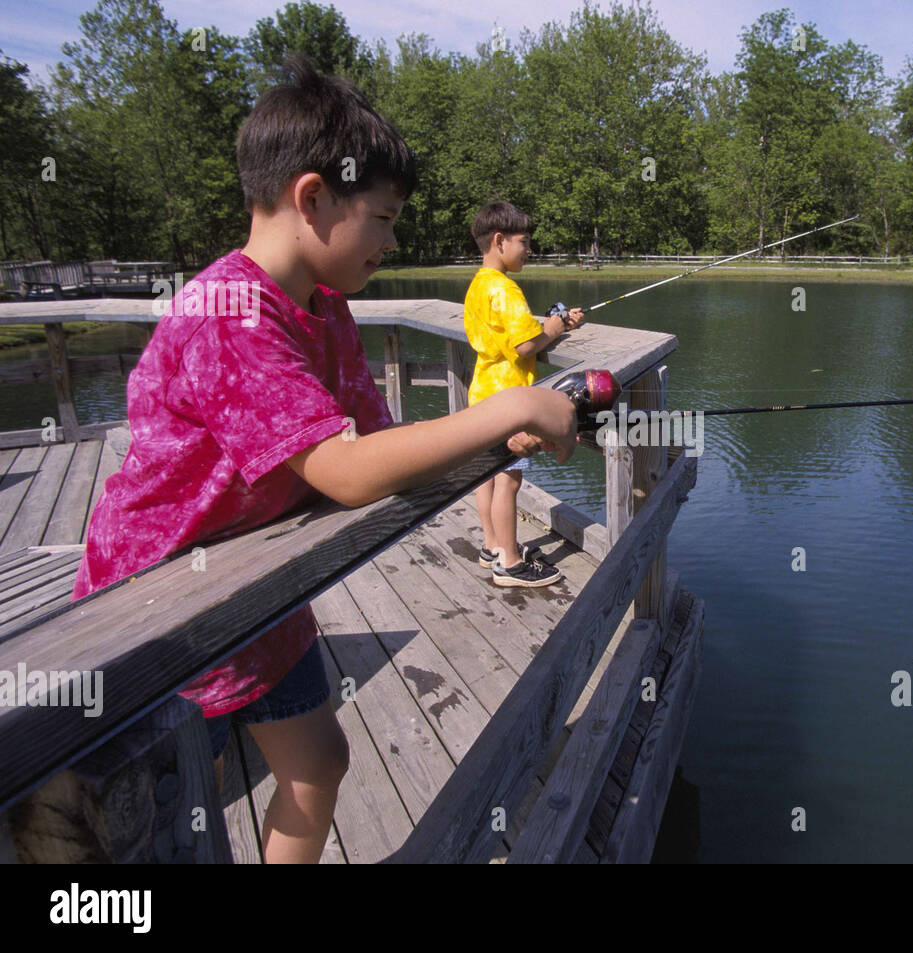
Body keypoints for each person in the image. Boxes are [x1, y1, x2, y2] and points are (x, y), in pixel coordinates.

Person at [68, 57, 577, 863]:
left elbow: (375, 446)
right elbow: (342, 471)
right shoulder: (225, 309)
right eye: (383, 216)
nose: (393, 238)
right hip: (155, 615)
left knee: (319, 765)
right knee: (147, 822)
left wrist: (489, 438)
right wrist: (510, 404)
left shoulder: (327, 310)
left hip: (257, 582)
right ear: (313, 197)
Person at [463, 200, 585, 587]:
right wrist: (557, 327)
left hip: (481, 392)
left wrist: (552, 325)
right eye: (524, 242)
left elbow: (505, 337)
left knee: (486, 476)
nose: (529, 250)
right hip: (508, 403)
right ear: (499, 241)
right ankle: (511, 563)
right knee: (509, 479)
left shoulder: (478, 285)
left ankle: (492, 546)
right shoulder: (506, 289)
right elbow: (525, 346)